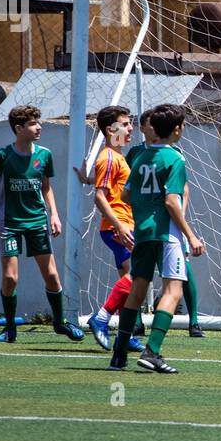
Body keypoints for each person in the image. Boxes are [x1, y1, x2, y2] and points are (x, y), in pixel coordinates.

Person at [108, 104, 205, 373]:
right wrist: (192, 236)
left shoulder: (138, 156)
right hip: (167, 233)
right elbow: (172, 202)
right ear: (176, 130)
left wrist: (143, 207)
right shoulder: (175, 158)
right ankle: (152, 352)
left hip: (142, 231)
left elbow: (126, 196)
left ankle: (119, 354)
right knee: (173, 290)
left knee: (137, 292)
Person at [0, 105, 84, 344]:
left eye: (39, 122)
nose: (39, 127)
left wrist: (54, 215)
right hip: (10, 224)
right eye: (32, 124)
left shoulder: (44, 155)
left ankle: (60, 323)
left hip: (37, 221)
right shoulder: (3, 155)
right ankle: (9, 328)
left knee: (51, 276)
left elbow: (46, 186)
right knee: (10, 279)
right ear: (19, 129)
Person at [80, 105, 145, 353]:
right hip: (119, 226)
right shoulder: (108, 157)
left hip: (124, 224)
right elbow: (100, 196)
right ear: (111, 129)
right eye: (125, 124)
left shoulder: (116, 157)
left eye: (130, 124)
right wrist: (120, 225)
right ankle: (101, 317)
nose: (130, 129)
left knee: (131, 284)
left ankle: (125, 335)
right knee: (138, 277)